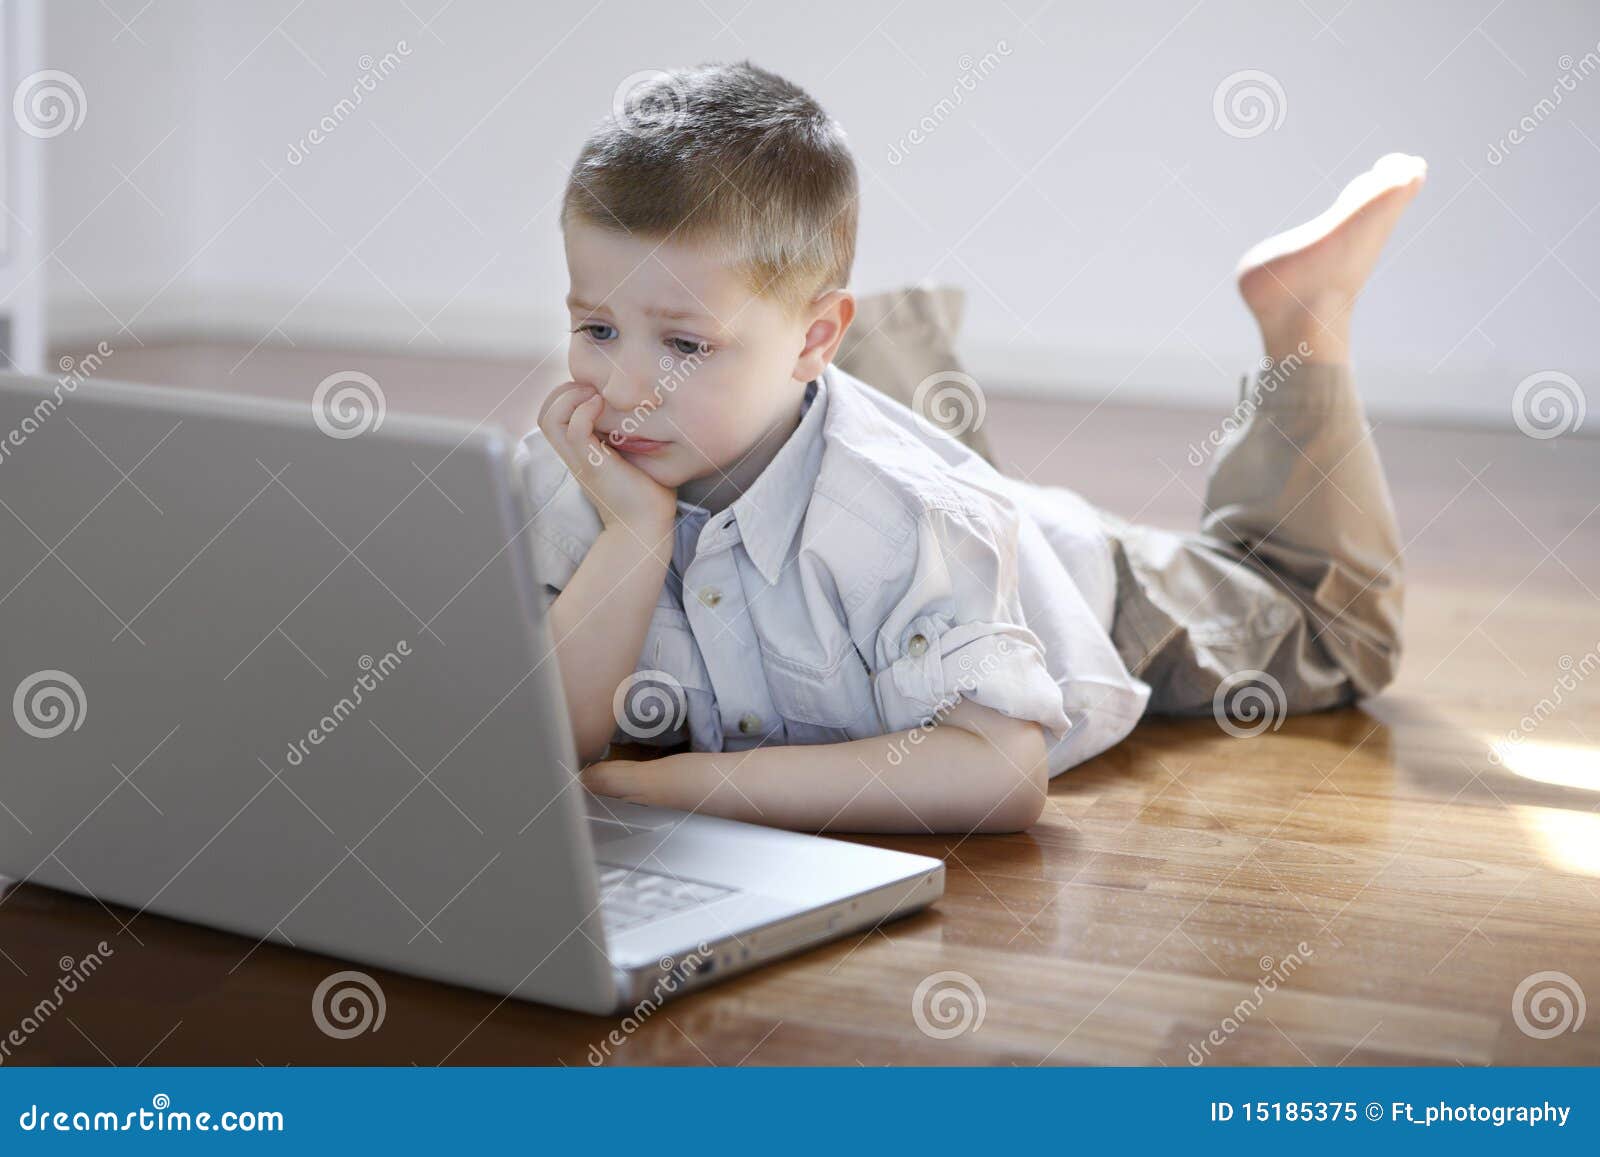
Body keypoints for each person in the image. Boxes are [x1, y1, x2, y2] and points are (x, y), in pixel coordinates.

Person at [518, 61, 1419, 834]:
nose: (626, 389)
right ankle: (882, 370)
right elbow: (550, 736)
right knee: (837, 459)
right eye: (596, 327)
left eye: (682, 345)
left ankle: (1307, 320)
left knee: (1334, 630)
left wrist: (689, 786)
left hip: (1069, 579)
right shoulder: (581, 470)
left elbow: (1000, 769)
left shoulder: (906, 519)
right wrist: (634, 539)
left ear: (811, 339)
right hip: (847, 464)